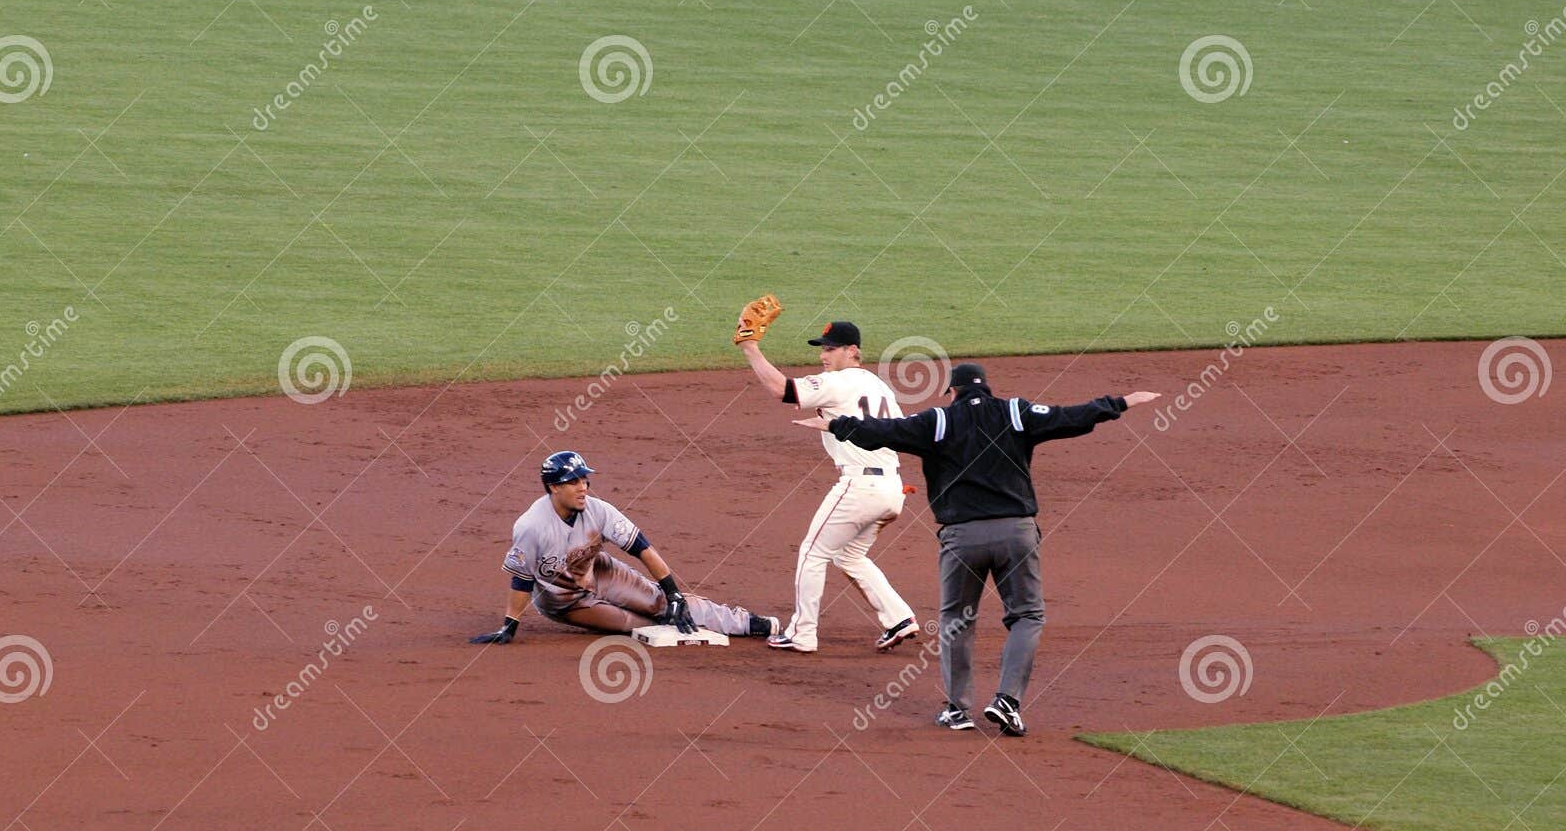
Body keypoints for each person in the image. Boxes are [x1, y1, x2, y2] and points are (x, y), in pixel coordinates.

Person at [795, 363, 1159, 735]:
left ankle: (957, 710)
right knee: (1027, 616)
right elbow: (1070, 418)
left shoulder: (936, 421)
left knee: (957, 622)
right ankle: (1008, 700)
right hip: (1015, 534)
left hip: (961, 539)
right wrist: (1122, 402)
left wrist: (839, 425)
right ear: (986, 389)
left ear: (952, 392)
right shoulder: (1016, 412)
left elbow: (885, 431)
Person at [733, 297, 919, 654]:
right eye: (822, 349)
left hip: (860, 485)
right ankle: (900, 619)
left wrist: (751, 349)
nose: (824, 355)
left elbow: (781, 390)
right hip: (892, 489)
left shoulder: (841, 382)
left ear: (853, 351)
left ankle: (802, 633)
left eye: (831, 349)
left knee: (812, 553)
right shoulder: (878, 387)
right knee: (848, 556)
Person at [471, 450, 778, 644]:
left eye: (585, 480)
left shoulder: (598, 509)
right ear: (554, 487)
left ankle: (750, 623)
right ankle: (682, 624)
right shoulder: (531, 526)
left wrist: (672, 592)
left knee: (663, 604)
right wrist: (509, 626)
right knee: (636, 626)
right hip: (564, 602)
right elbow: (521, 579)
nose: (583, 487)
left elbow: (642, 547)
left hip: (602, 571)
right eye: (574, 482)